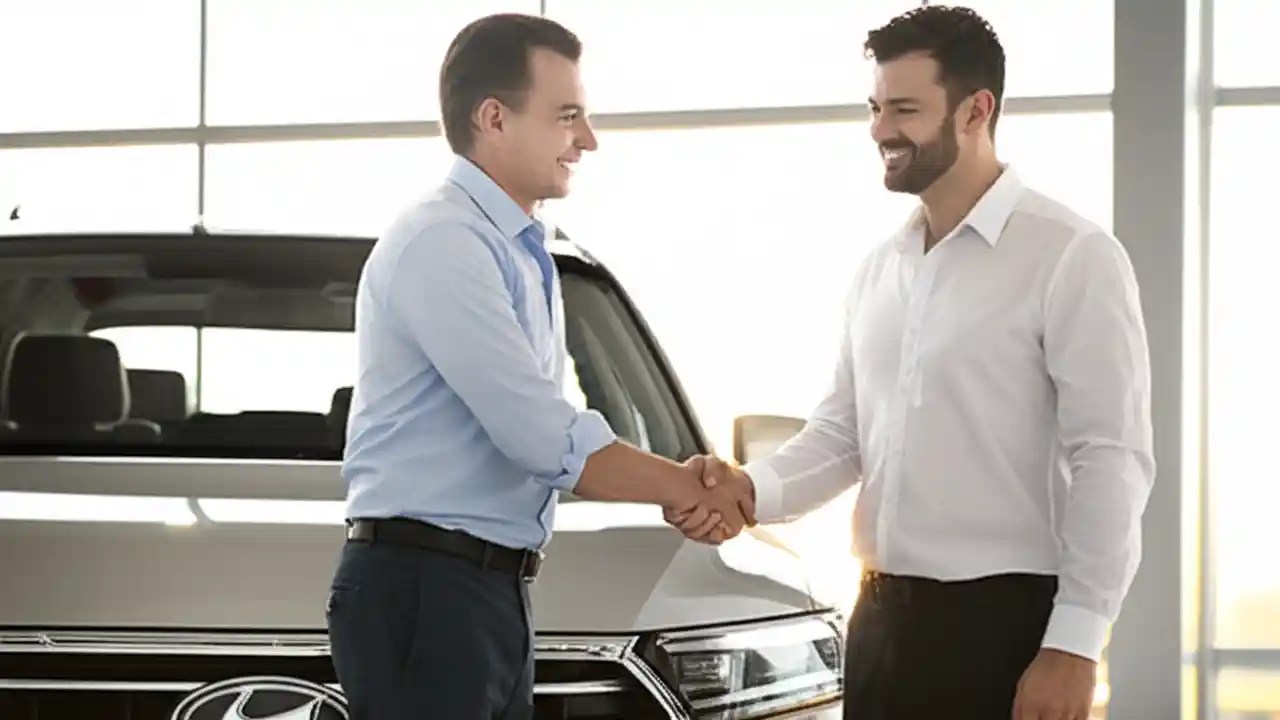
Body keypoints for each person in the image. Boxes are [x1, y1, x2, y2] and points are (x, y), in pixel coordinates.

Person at [670, 6, 1155, 719]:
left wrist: (1075, 644)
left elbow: (1111, 459)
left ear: (975, 111)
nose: (879, 130)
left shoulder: (1071, 256)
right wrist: (746, 491)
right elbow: (843, 435)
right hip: (879, 624)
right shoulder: (881, 269)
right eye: (874, 107)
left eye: (903, 108)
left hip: (1005, 627)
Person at [325, 13, 755, 719]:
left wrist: (679, 483)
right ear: (494, 117)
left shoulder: (523, 252)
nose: (586, 140)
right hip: (429, 590)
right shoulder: (444, 242)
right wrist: (686, 484)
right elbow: (541, 435)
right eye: (566, 117)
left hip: (485, 590)